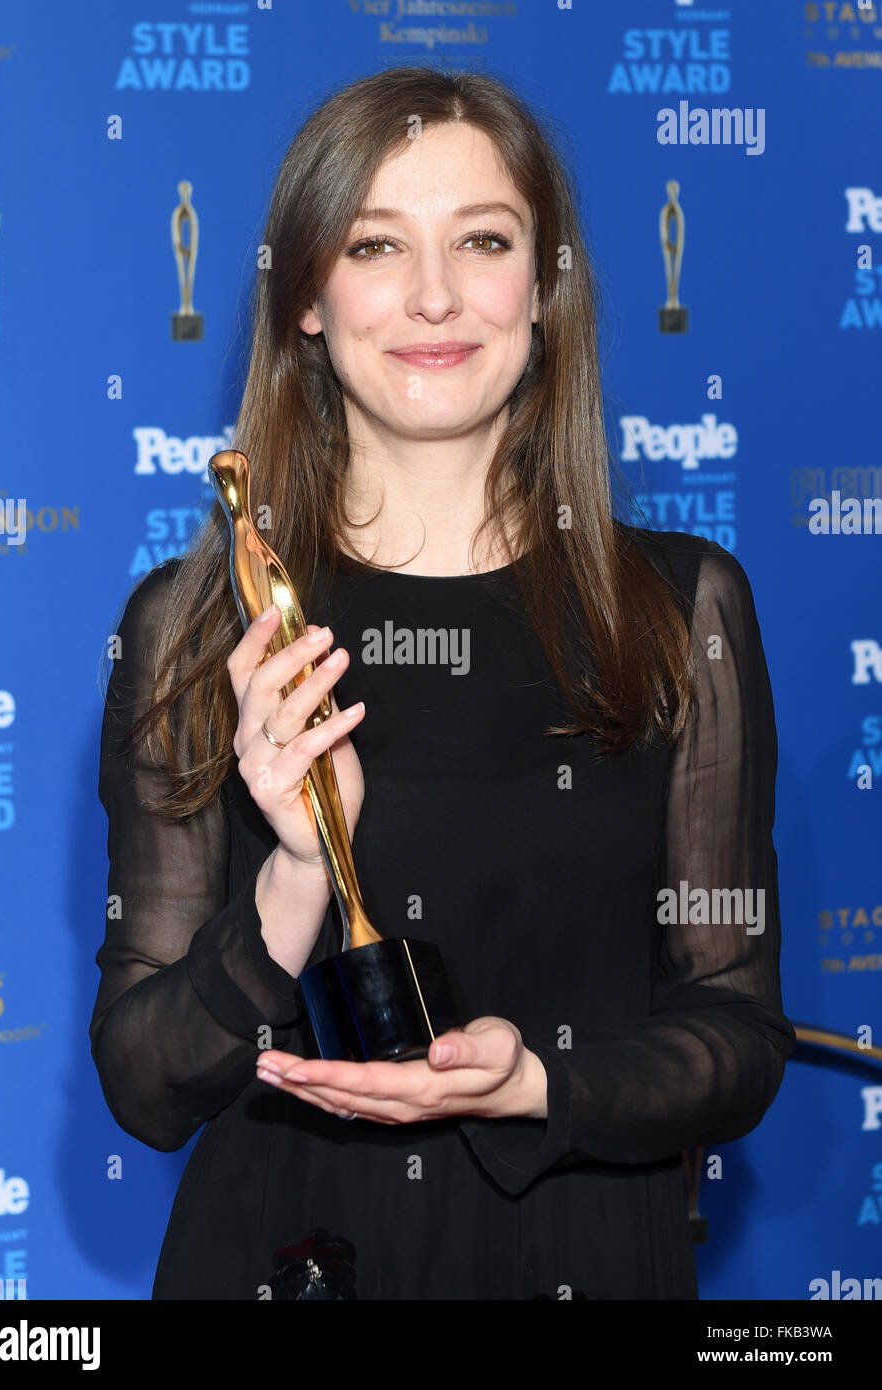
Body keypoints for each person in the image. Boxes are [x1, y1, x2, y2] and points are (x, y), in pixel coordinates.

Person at [91, 64, 795, 1300]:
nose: (433, 296)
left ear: (545, 286)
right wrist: (297, 878)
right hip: (285, 1259)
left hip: (582, 1256)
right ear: (308, 294)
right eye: (375, 244)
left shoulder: (677, 611)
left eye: (482, 239)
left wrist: (541, 1085)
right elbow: (147, 1086)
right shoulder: (197, 627)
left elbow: (736, 1039)